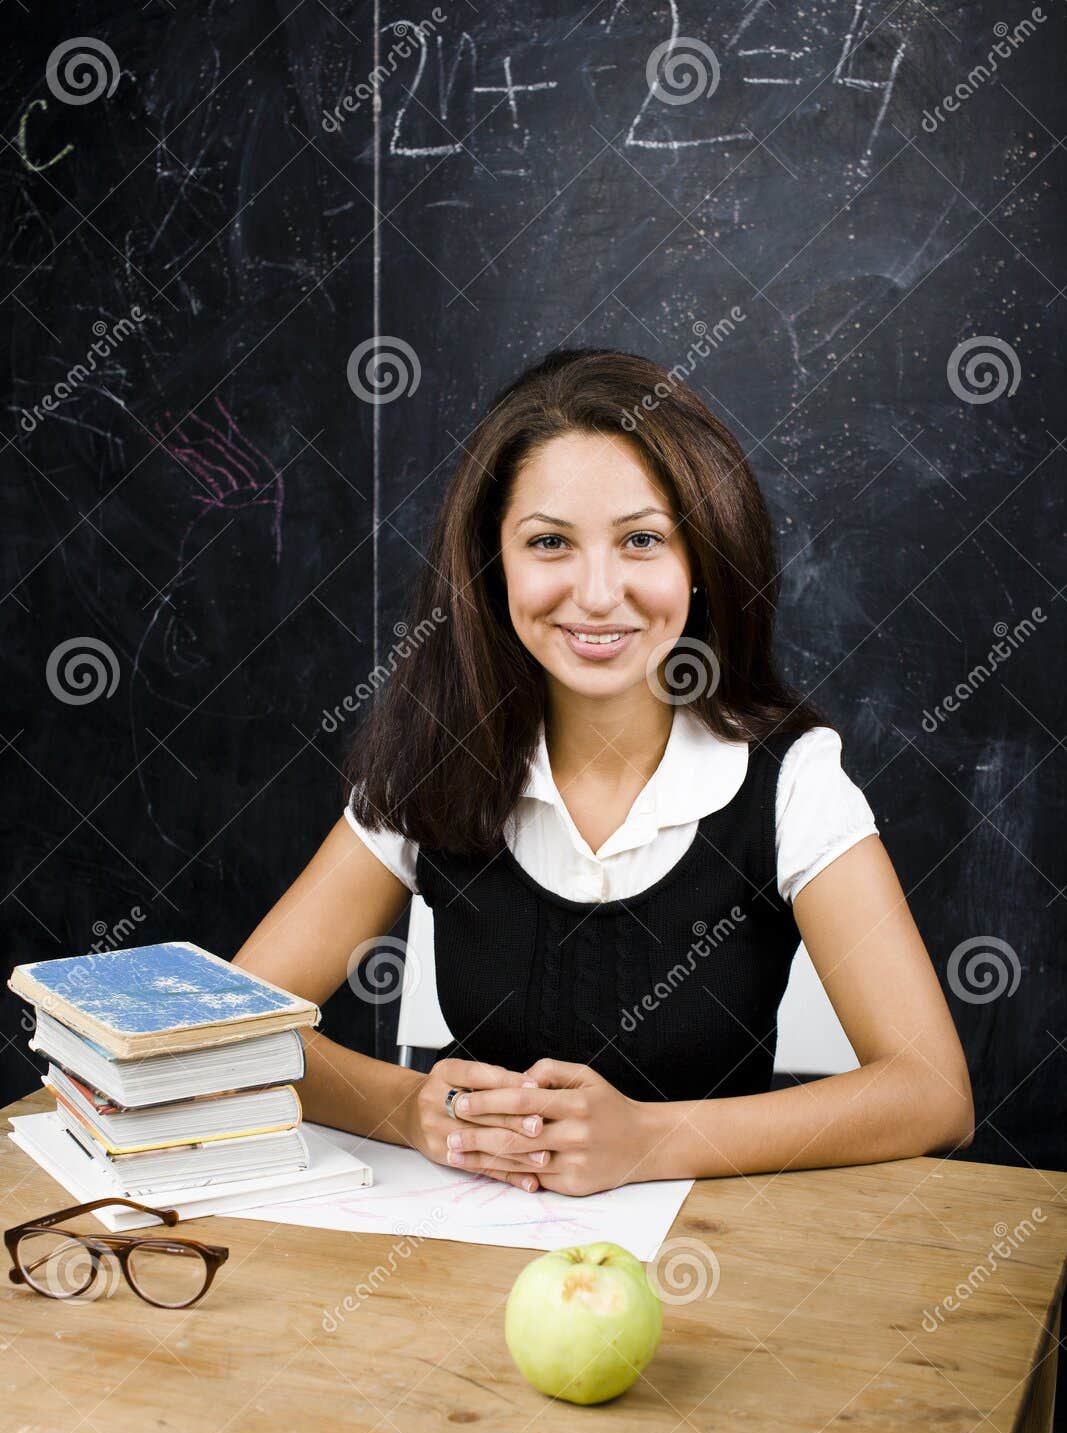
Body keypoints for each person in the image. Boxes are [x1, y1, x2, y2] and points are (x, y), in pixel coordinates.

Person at [232, 348, 974, 1196]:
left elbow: (933, 1093)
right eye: (549, 541)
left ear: (701, 562)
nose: (595, 592)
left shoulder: (791, 783)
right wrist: (405, 1109)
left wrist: (646, 1141)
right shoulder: (431, 763)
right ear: (491, 565)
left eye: (641, 540)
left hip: (717, 1265)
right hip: (465, 1256)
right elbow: (223, 1033)